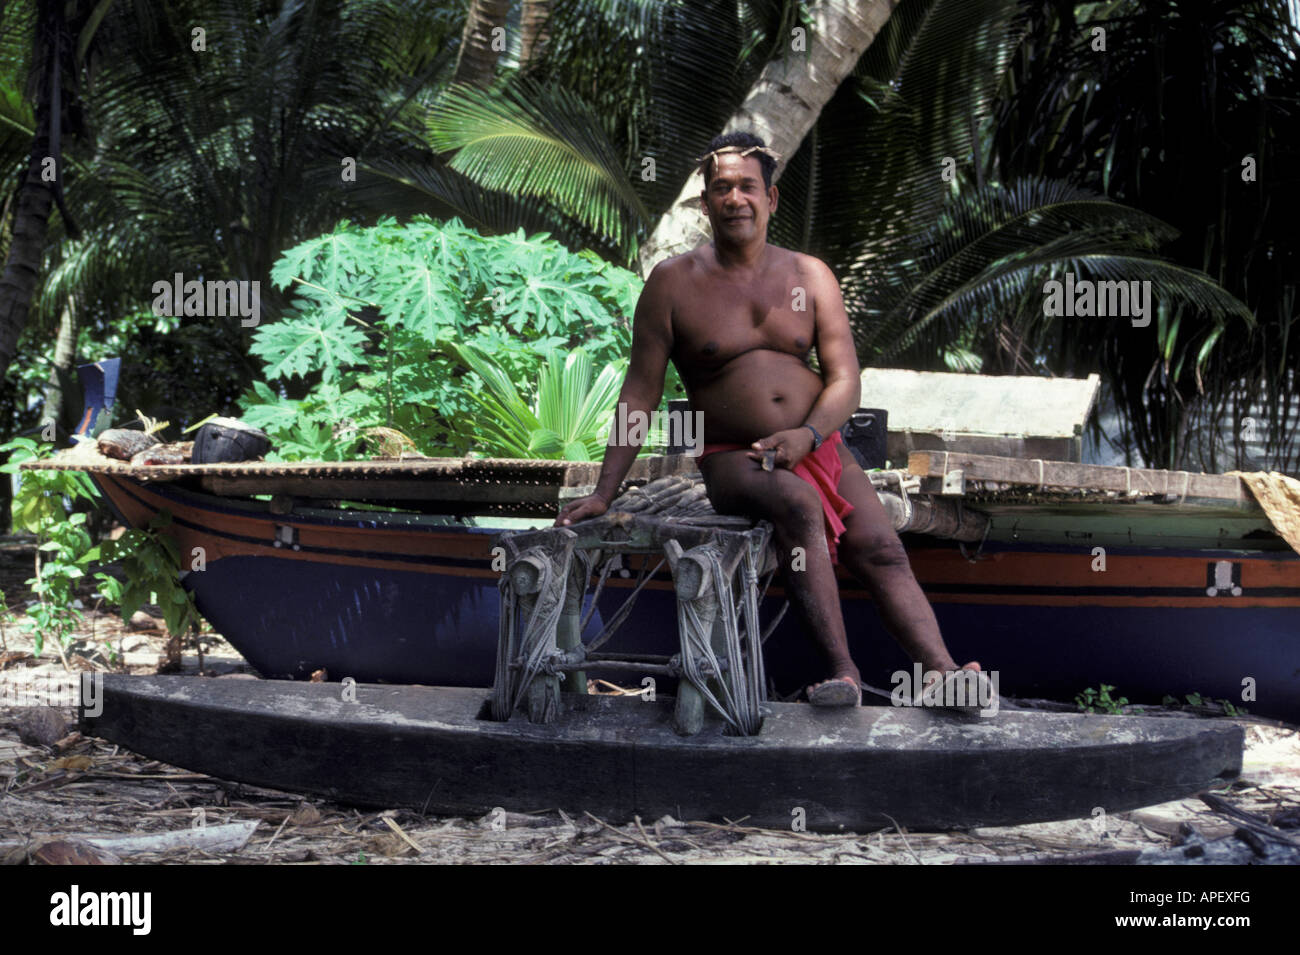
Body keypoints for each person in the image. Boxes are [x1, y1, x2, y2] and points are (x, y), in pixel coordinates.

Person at [556, 131, 982, 707]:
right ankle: (842, 674)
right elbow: (639, 393)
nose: (736, 199)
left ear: (771, 199)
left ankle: (940, 671)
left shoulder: (810, 275)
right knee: (799, 507)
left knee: (880, 544)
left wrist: (808, 437)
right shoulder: (673, 284)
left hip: (816, 443)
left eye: (747, 187)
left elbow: (845, 381)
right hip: (734, 456)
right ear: (705, 203)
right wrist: (605, 492)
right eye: (722, 188)